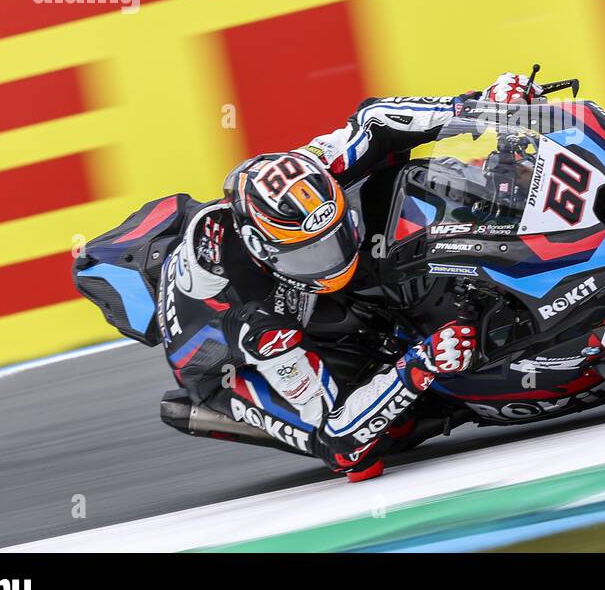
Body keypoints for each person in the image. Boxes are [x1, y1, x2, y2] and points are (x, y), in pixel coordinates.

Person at [157, 72, 544, 480]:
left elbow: (376, 120)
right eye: (312, 254)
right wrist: (420, 365)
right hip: (231, 364)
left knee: (387, 186)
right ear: (263, 250)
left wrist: (481, 107)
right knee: (371, 441)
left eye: (337, 236)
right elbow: (339, 437)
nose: (335, 259)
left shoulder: (313, 170)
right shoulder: (261, 324)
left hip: (286, 282)